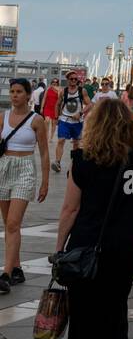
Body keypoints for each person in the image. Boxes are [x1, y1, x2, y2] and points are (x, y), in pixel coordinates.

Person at [53, 97, 133, 339]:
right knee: (115, 307)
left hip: (86, 246)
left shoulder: (82, 159)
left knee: (84, 315)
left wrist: (59, 249)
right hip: (124, 245)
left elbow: (70, 209)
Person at [0, 79, 50, 293]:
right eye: (12, 91)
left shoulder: (37, 120)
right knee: (8, 225)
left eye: (19, 91)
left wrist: (45, 182)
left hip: (25, 169)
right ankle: (17, 268)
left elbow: (44, 152)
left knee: (13, 223)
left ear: (29, 95)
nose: (15, 95)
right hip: (4, 168)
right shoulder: (2, 117)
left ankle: (6, 274)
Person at [52, 72, 88, 173]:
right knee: (61, 140)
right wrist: (56, 117)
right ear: (68, 80)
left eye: (75, 79)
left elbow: (90, 104)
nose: (73, 81)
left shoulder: (82, 91)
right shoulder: (64, 91)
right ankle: (57, 162)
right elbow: (57, 104)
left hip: (77, 121)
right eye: (71, 79)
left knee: (76, 143)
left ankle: (74, 164)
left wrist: (80, 113)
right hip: (64, 119)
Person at [41, 78, 60, 143]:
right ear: (51, 83)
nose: (54, 83)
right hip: (47, 107)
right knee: (47, 121)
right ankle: (46, 136)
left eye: (56, 82)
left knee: (53, 124)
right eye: (53, 82)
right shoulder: (48, 89)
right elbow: (44, 98)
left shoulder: (59, 90)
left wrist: (58, 91)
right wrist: (42, 107)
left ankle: (51, 138)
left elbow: (61, 99)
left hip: (55, 109)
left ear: (57, 83)